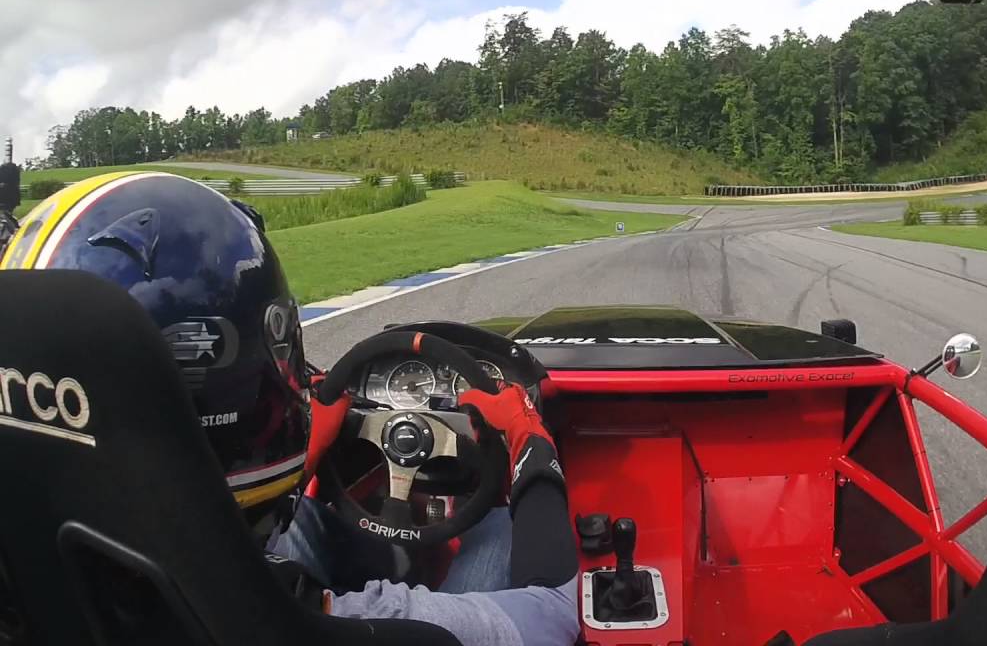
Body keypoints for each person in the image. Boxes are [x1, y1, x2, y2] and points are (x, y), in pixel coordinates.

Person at [0, 171, 580, 646]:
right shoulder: (311, 615)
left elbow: (187, 496)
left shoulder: (32, 568)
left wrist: (299, 463)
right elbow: (553, 610)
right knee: (499, 524)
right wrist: (531, 446)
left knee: (310, 512)